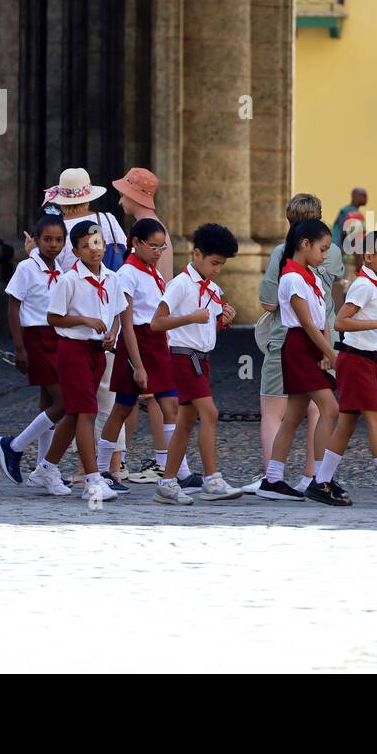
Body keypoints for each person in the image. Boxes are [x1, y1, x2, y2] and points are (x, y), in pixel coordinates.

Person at [306, 231, 377, 508]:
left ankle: (321, 482)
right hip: (356, 361)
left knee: (346, 424)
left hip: (364, 361)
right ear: (369, 257)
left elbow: (373, 326)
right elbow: (342, 323)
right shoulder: (364, 286)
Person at [27, 220, 139, 504]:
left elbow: (118, 311)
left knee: (76, 413)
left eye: (98, 243)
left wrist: (112, 333)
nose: (95, 250)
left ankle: (47, 468)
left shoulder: (112, 279)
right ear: (76, 251)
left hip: (97, 352)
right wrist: (83, 320)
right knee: (87, 413)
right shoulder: (69, 280)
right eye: (87, 246)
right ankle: (93, 479)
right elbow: (53, 318)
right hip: (73, 350)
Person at [36, 168, 132, 481]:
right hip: (109, 316)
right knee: (108, 397)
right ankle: (112, 466)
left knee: (81, 400)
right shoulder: (109, 222)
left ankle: (83, 468)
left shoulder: (59, 231)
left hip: (77, 325)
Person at [249, 193, 346, 495]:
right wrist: (330, 352)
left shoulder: (303, 274)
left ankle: (274, 478)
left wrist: (327, 347)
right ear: (306, 244)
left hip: (309, 344)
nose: (326, 255)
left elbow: (320, 312)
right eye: (322, 249)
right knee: (328, 409)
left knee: (293, 414)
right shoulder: (292, 276)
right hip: (300, 346)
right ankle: (319, 479)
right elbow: (307, 322)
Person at [150, 223, 244, 504]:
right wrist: (190, 318)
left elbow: (208, 324)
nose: (217, 269)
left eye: (221, 264)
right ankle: (212, 479)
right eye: (214, 262)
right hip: (182, 357)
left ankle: (167, 483)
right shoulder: (180, 284)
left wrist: (223, 320)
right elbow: (157, 322)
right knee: (210, 413)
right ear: (197, 254)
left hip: (201, 360)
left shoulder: (213, 288)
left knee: (185, 422)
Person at [94, 219, 179, 494]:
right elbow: (127, 320)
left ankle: (173, 472)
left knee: (170, 405)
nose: (158, 252)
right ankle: (103, 468)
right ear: (137, 243)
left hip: (155, 343)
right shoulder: (128, 273)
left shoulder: (152, 272)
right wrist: (138, 365)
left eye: (162, 247)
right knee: (122, 407)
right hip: (137, 345)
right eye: (153, 246)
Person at [0, 214, 67, 484]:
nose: (53, 245)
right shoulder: (27, 268)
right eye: (47, 239)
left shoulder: (61, 270)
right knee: (65, 403)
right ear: (36, 241)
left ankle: (41, 469)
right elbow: (14, 306)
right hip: (36, 338)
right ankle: (14, 445)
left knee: (48, 402)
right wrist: (19, 346)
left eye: (59, 240)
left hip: (57, 337)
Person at [112, 167, 176, 479]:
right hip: (145, 329)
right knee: (132, 401)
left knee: (152, 397)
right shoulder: (149, 228)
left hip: (149, 328)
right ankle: (119, 460)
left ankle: (163, 462)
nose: (120, 198)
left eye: (124, 191)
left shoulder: (149, 232)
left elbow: (158, 286)